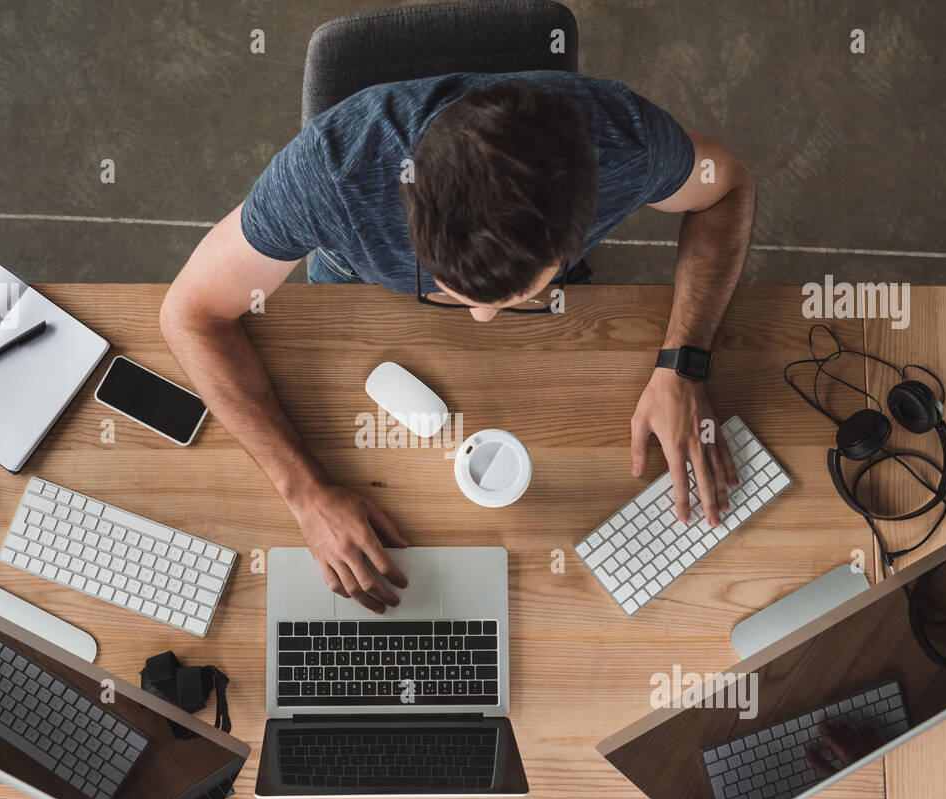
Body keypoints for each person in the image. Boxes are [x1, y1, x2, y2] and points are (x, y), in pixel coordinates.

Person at [160, 72, 756, 613]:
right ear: (408, 212)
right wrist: (304, 492)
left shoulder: (627, 145)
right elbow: (189, 314)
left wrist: (683, 363)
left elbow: (728, 188)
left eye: (509, 296)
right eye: (457, 287)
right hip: (356, 289)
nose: (480, 320)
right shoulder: (330, 175)